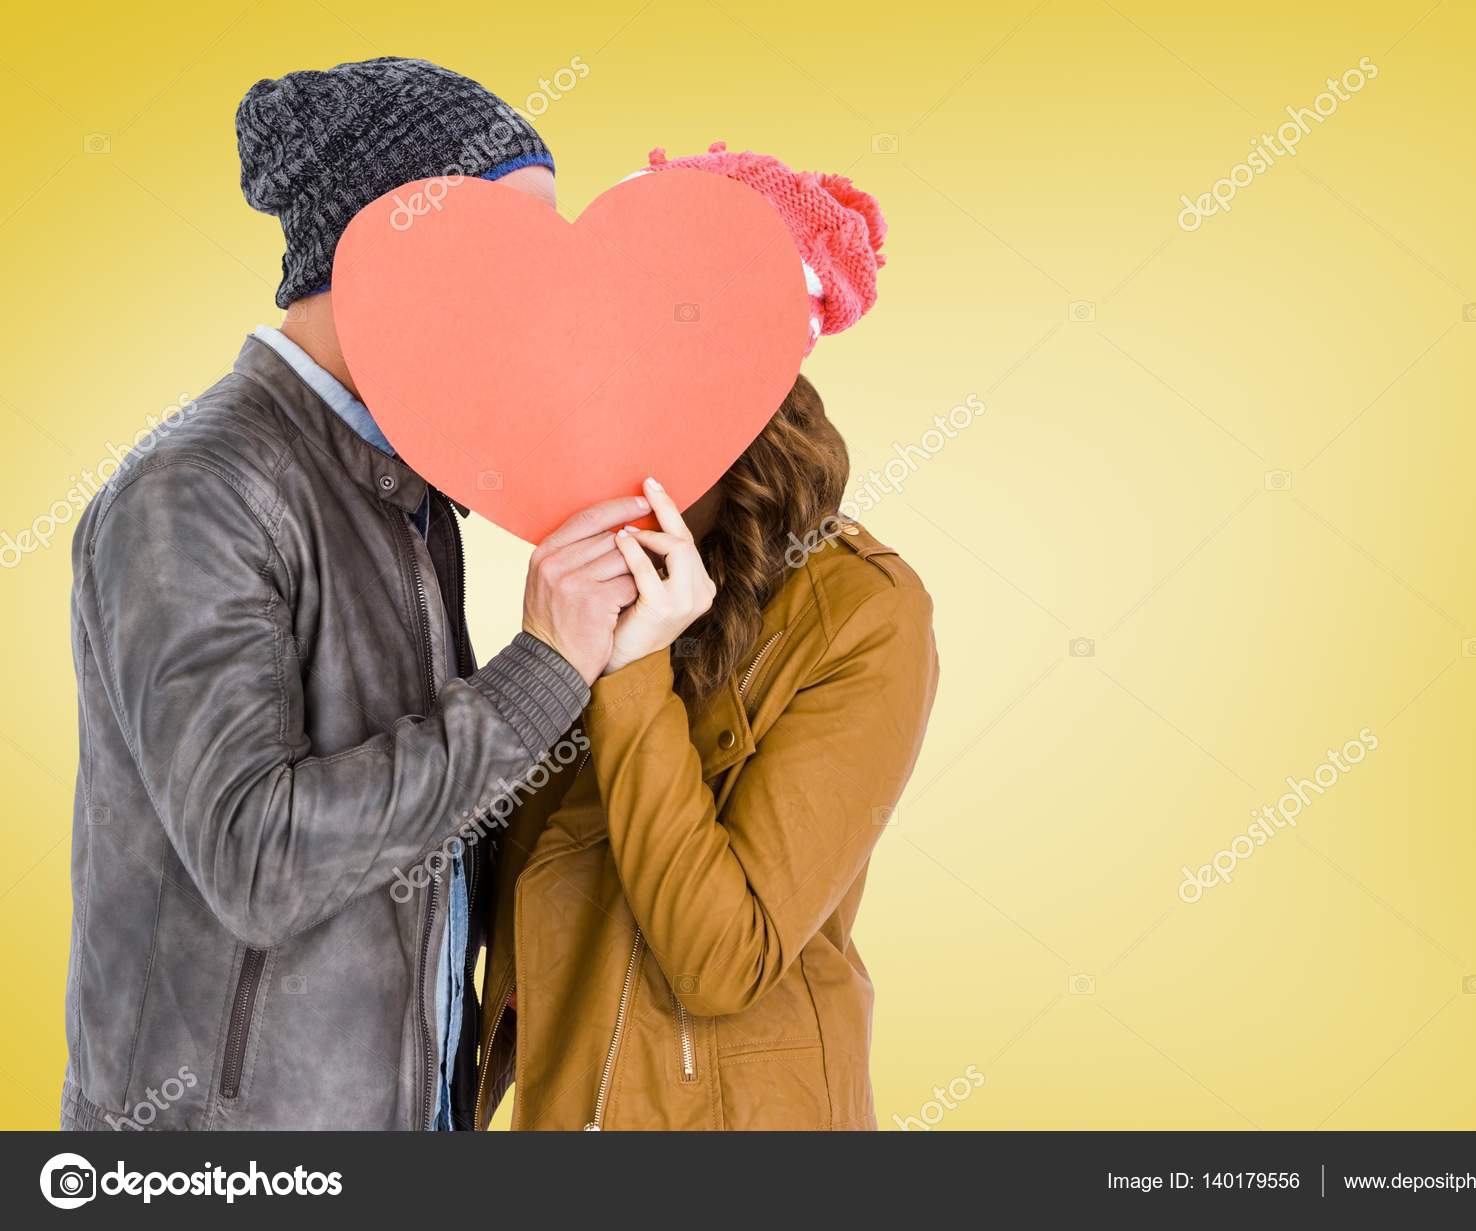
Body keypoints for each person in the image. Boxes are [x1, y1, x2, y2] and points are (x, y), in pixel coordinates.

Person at [60, 57, 641, 1131]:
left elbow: (428, 817)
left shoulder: (410, 485)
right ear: (381, 253)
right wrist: (541, 672)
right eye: (503, 257)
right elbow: (262, 859)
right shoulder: (197, 491)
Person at [477, 148, 939, 1130]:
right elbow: (509, 884)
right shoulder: (596, 552)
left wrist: (636, 667)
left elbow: (720, 957)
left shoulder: (862, 611)